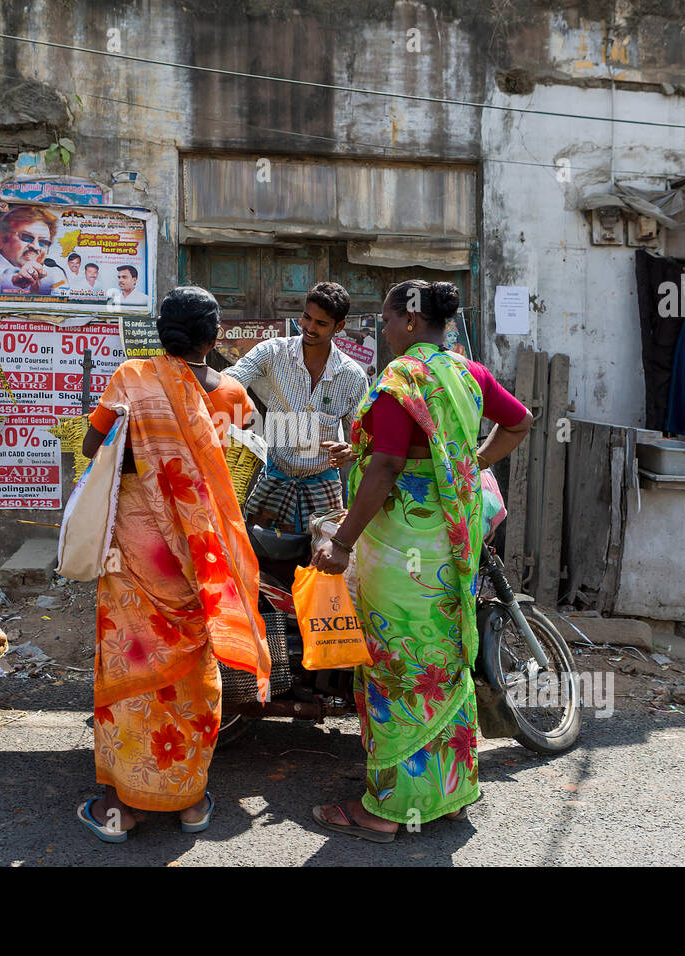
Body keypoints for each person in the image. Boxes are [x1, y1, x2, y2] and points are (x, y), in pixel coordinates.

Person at [310, 279, 533, 842]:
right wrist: (469, 462)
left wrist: (340, 543)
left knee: (397, 668)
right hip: (448, 546)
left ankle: (386, 811)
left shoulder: (402, 377)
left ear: (410, 322)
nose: (382, 331)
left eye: (385, 320)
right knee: (443, 662)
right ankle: (448, 795)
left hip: (398, 552)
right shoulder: (467, 372)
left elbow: (385, 469)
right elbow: (520, 422)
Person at [76, 286, 272, 842]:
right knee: (192, 668)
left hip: (136, 550)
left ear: (162, 332)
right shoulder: (231, 393)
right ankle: (189, 801)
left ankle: (125, 806)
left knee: (132, 664)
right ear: (213, 338)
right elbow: (244, 446)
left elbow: (93, 446)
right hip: (201, 553)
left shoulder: (132, 378)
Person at [223, 281, 369, 531]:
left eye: (321, 324)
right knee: (259, 554)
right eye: (306, 318)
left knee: (321, 561)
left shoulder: (353, 376)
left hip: (323, 485)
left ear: (339, 327)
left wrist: (349, 449)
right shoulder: (273, 352)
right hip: (273, 476)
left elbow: (364, 438)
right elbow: (231, 379)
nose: (310, 328)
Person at [0, 205, 69, 294]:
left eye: (43, 242)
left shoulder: (53, 275)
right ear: (1, 240)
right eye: (27, 237)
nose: (36, 247)